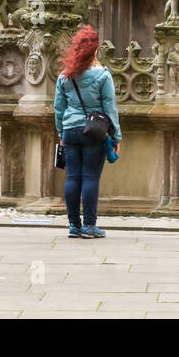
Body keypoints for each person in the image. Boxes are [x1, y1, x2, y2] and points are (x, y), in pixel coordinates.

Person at [53, 25, 122, 238]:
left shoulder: (65, 75)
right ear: (95, 49)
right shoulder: (102, 75)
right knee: (90, 178)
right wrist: (116, 135)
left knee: (72, 177)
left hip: (70, 130)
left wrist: (61, 132)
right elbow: (110, 107)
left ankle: (74, 226)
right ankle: (90, 226)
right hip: (94, 131)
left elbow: (58, 108)